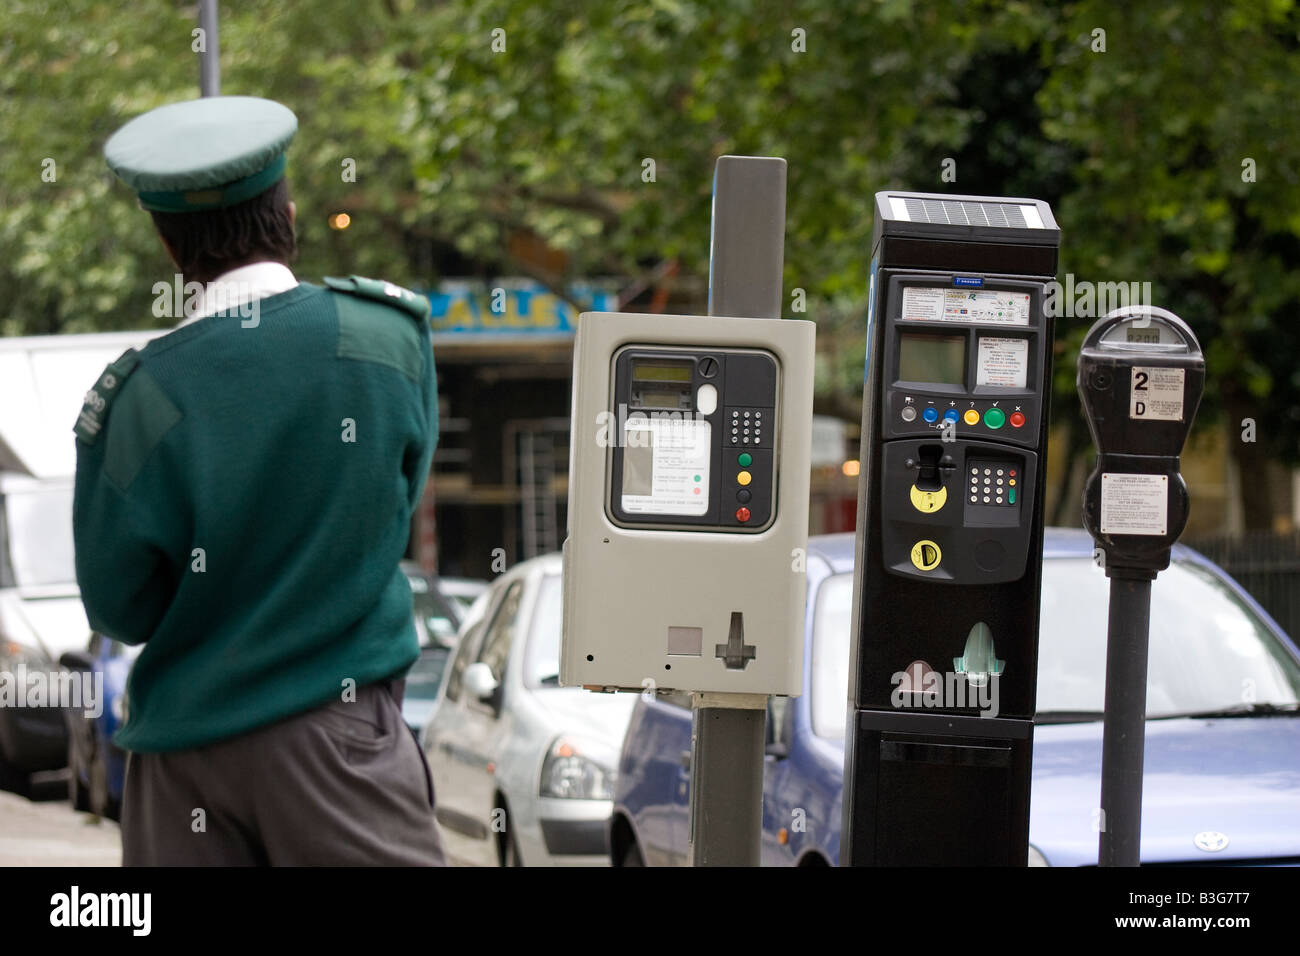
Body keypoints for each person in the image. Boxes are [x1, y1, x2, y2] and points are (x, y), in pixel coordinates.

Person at [74, 95, 446, 865]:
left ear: (167, 241)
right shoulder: (386, 338)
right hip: (341, 740)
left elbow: (119, 607)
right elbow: (393, 512)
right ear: (290, 212)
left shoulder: (138, 398)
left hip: (184, 763)